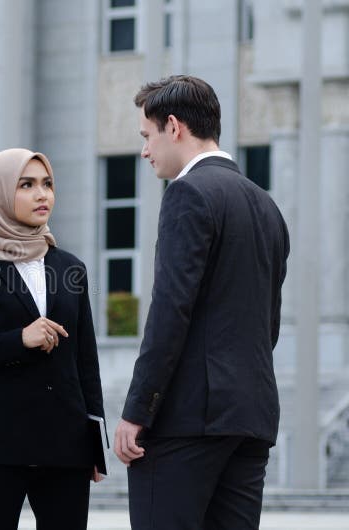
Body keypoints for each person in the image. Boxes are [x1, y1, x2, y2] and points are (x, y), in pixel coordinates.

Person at [113, 75, 290, 530]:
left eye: (147, 136)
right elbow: (267, 322)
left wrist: (137, 410)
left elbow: (170, 312)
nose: (145, 151)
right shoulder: (266, 206)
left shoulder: (188, 194)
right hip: (249, 418)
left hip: (188, 421)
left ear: (174, 127)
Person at [0, 148, 105, 530]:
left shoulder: (71, 268)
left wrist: (94, 443)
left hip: (66, 448)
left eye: (47, 184)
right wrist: (18, 340)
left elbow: (86, 360)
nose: (42, 194)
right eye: (26, 185)